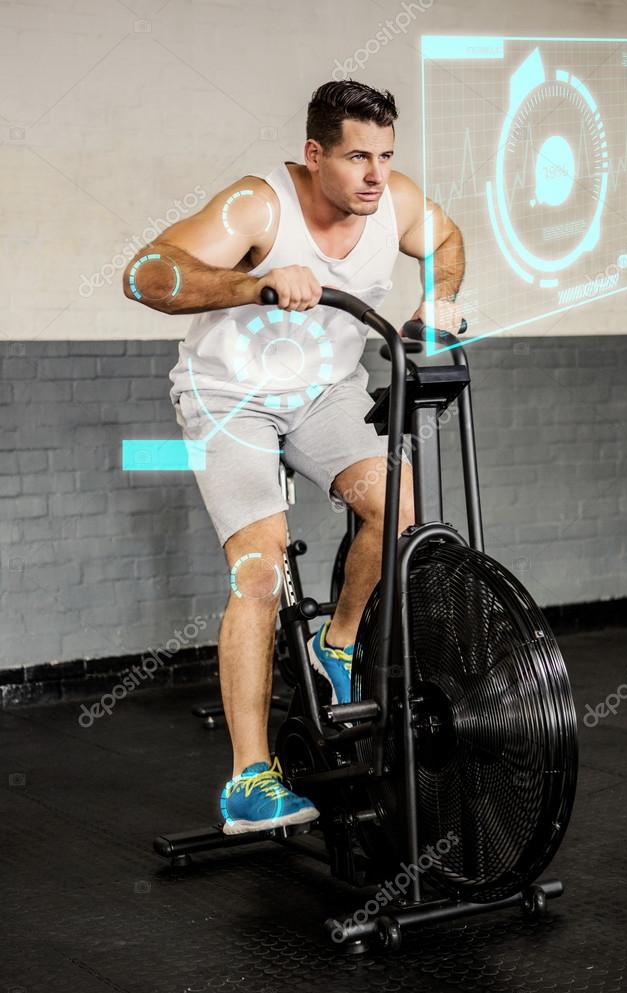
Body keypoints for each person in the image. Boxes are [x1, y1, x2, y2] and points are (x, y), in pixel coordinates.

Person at [123, 79, 465, 835]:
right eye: (356, 157)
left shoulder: (395, 201)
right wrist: (255, 282)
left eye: (385, 155)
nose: (375, 174)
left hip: (323, 392)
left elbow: (446, 239)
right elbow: (145, 274)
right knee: (260, 567)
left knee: (396, 505)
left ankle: (333, 643)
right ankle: (250, 778)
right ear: (314, 156)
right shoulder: (259, 206)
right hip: (230, 397)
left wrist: (436, 299)